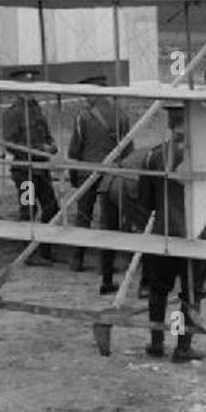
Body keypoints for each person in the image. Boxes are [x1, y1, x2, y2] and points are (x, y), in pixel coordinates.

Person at [139, 104, 206, 363]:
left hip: (163, 235)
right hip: (193, 237)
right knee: (190, 295)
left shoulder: (153, 156)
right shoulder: (204, 159)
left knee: (158, 291)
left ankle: (156, 343)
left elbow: (146, 201)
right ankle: (182, 347)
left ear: (170, 125)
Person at [67, 76, 134, 292]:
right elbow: (129, 148)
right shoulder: (121, 115)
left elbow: (75, 148)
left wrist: (73, 173)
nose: (85, 97)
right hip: (112, 173)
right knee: (110, 219)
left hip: (88, 171)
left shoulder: (83, 116)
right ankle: (109, 263)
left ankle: (78, 258)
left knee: (83, 215)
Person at [1, 67, 60, 265]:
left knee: (51, 207)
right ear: (18, 87)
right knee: (28, 208)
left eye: (32, 83)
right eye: (26, 84)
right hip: (24, 171)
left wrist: (51, 146)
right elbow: (9, 144)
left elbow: (47, 133)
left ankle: (46, 249)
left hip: (41, 170)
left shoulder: (36, 108)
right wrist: (36, 149)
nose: (30, 87)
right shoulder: (13, 113)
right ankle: (29, 254)